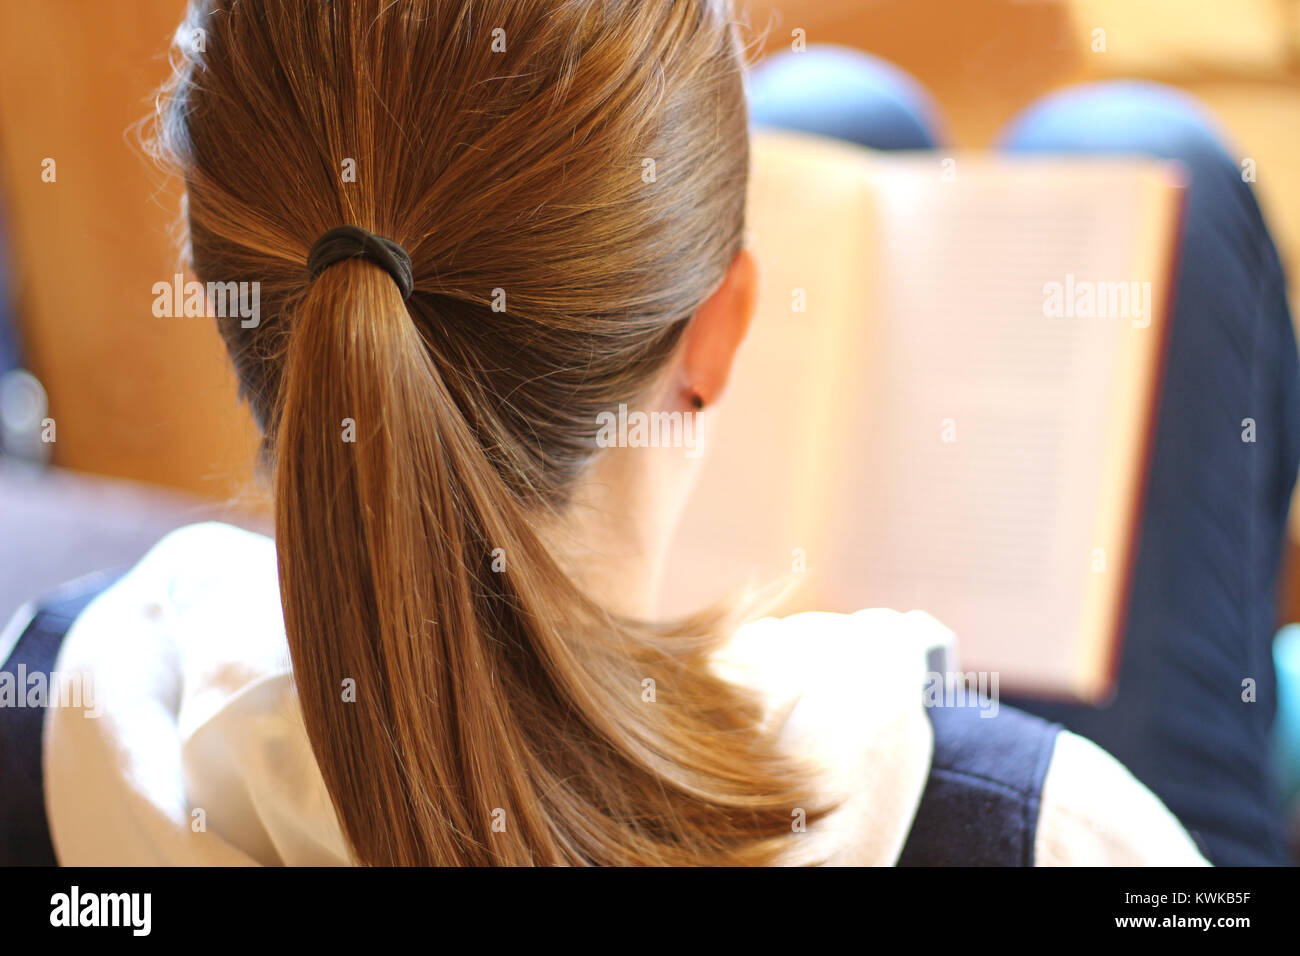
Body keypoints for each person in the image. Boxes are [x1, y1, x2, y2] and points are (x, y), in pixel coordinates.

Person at [3, 1, 1249, 866]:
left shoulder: (48, 710)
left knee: (838, 112)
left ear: (231, 294)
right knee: (1151, 162)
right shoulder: (1039, 821)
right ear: (722, 332)